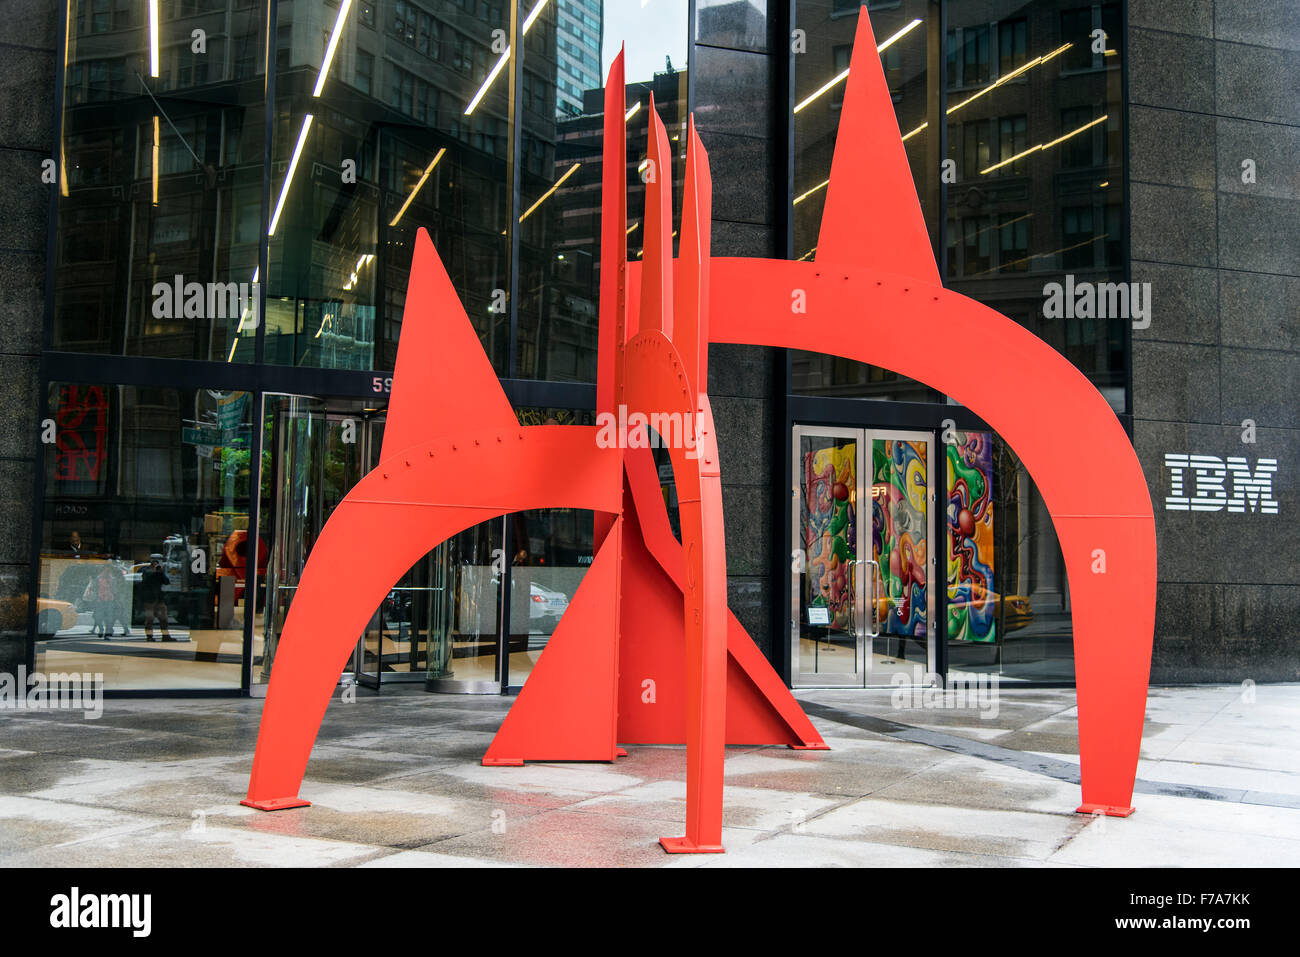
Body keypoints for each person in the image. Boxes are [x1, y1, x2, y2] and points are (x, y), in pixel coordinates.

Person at [139, 555, 174, 641]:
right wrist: (154, 572)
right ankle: (149, 636)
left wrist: (161, 572)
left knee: (164, 618)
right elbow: (145, 580)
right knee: (150, 619)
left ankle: (165, 636)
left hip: (159, 598)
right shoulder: (146, 571)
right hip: (149, 598)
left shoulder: (159, 572)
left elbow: (166, 582)